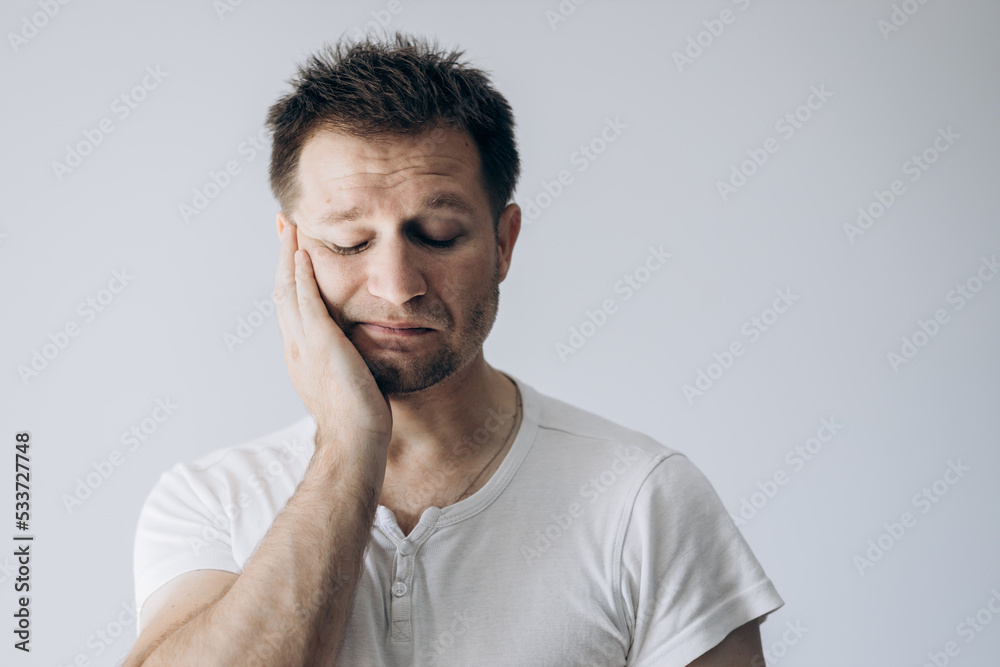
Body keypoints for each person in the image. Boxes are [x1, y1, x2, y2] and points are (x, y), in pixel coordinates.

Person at [125, 32, 784, 666]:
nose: (397, 287)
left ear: (504, 241)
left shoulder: (644, 499)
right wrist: (351, 443)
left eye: (438, 234)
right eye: (350, 241)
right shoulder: (211, 500)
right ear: (291, 249)